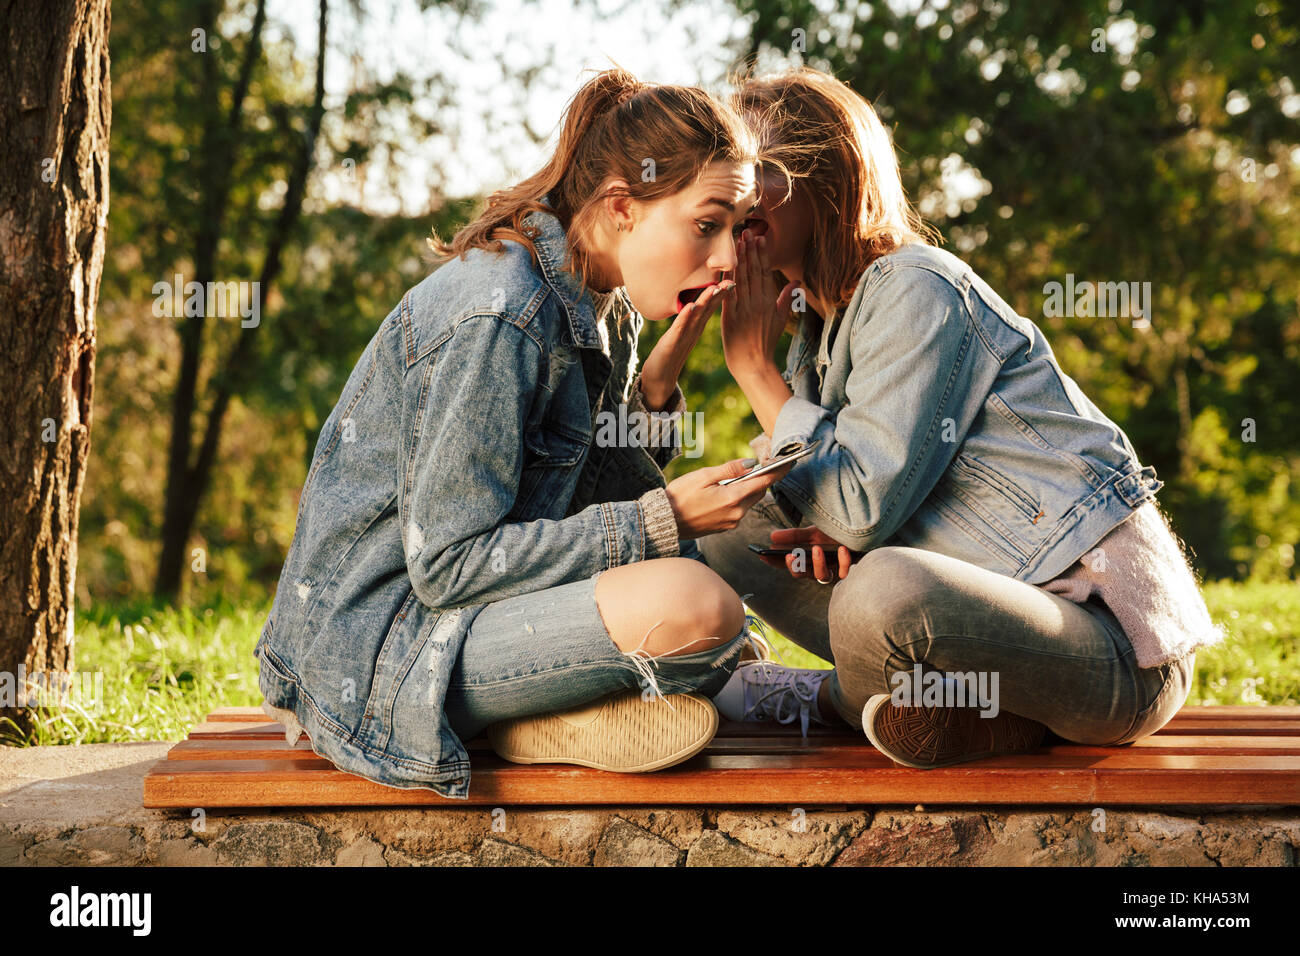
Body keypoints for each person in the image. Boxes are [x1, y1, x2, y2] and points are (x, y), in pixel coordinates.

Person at [253, 67, 794, 799]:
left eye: (736, 229)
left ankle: (559, 710)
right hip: (389, 655)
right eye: (708, 224)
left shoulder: (599, 297)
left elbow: (565, 492)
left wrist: (656, 391)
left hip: (479, 620)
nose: (729, 257)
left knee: (712, 582)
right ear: (620, 205)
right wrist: (664, 519)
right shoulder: (502, 314)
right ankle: (537, 716)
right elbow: (447, 566)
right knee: (700, 608)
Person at [697, 66, 1226, 767]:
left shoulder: (914, 285)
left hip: (1114, 654)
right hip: (985, 629)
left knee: (880, 591)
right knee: (732, 524)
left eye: (750, 176)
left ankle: (833, 701)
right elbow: (834, 506)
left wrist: (752, 371)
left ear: (821, 176)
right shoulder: (818, 336)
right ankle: (979, 720)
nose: (732, 203)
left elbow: (854, 512)